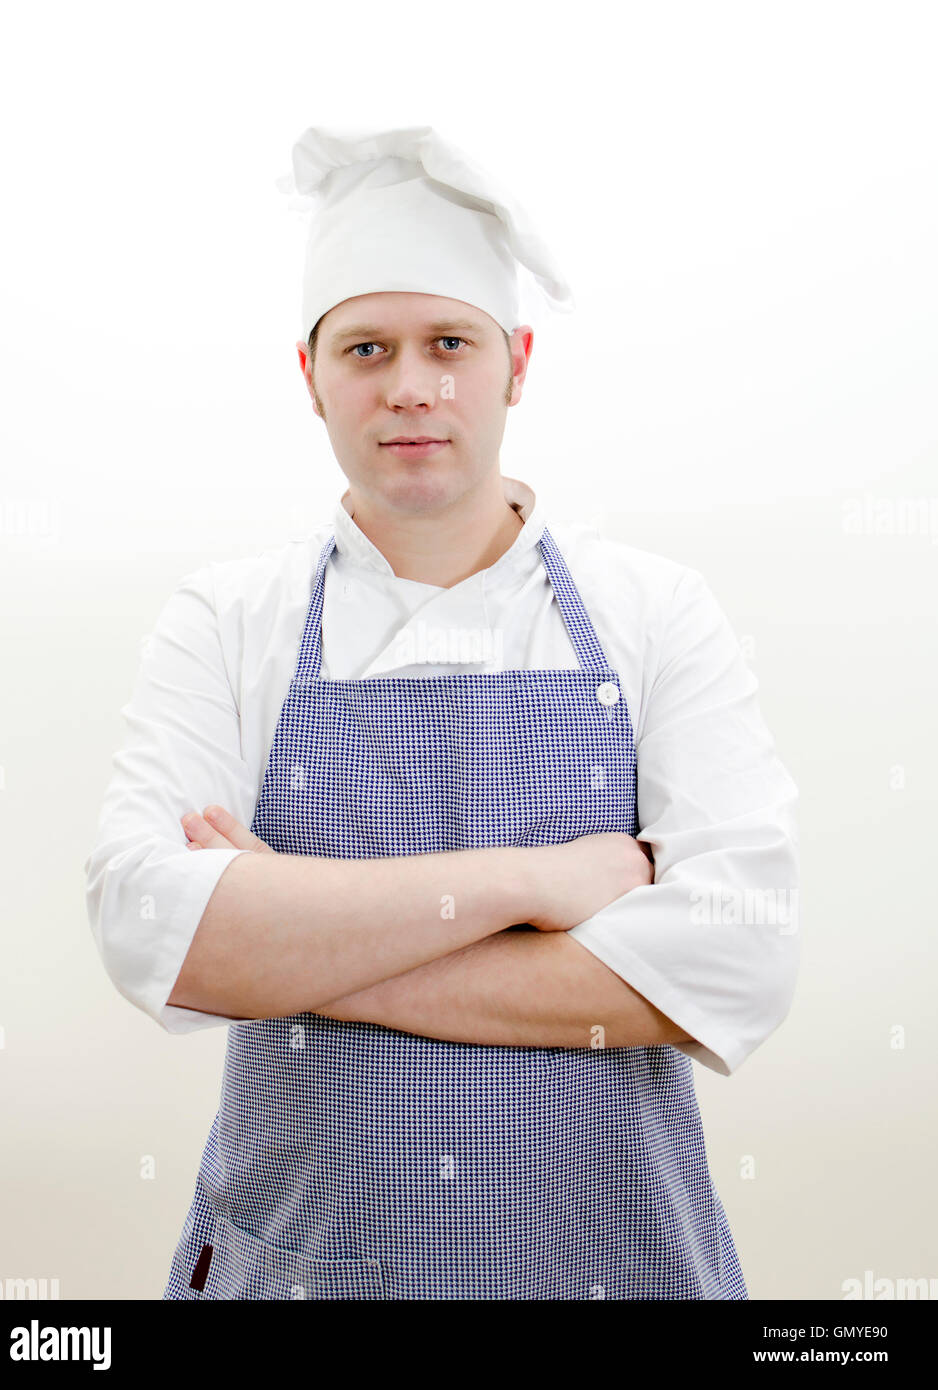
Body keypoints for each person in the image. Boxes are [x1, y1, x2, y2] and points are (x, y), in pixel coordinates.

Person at [84, 124, 801, 1301]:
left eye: (449, 343)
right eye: (366, 347)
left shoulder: (657, 612)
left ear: (517, 364)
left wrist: (286, 944)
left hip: (614, 1270)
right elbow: (147, 923)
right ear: (309, 374)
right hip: (304, 1268)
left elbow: (739, 958)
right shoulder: (227, 620)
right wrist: (538, 883)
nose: (411, 385)